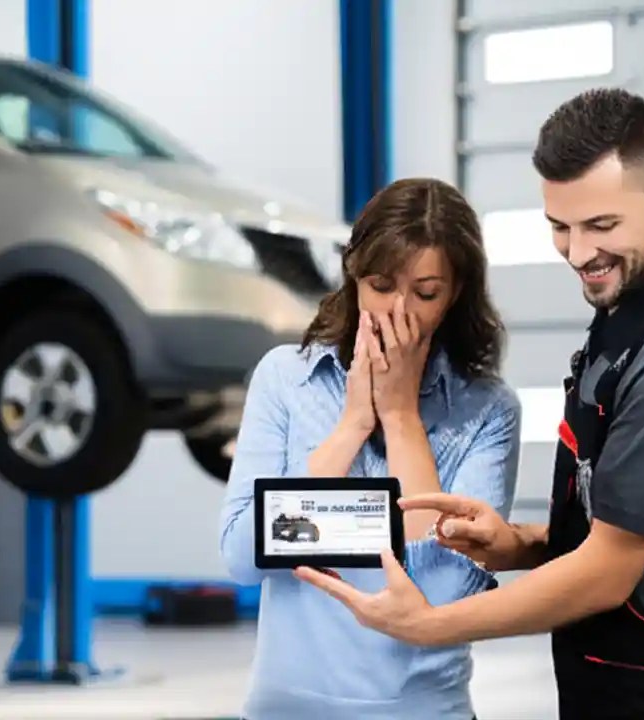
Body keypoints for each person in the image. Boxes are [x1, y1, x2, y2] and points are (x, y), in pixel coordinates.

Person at [295, 88, 644, 719]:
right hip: (614, 690)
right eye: (560, 227)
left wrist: (429, 625)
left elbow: (609, 570)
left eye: (602, 225)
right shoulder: (629, 314)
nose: (578, 253)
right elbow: (635, 526)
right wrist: (516, 544)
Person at [217, 177, 522, 720]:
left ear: (455, 295)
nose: (396, 311)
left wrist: (401, 415)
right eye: (381, 285)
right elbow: (242, 558)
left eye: (425, 293)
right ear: (354, 276)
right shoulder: (287, 380)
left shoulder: (488, 411)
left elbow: (445, 593)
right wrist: (353, 424)